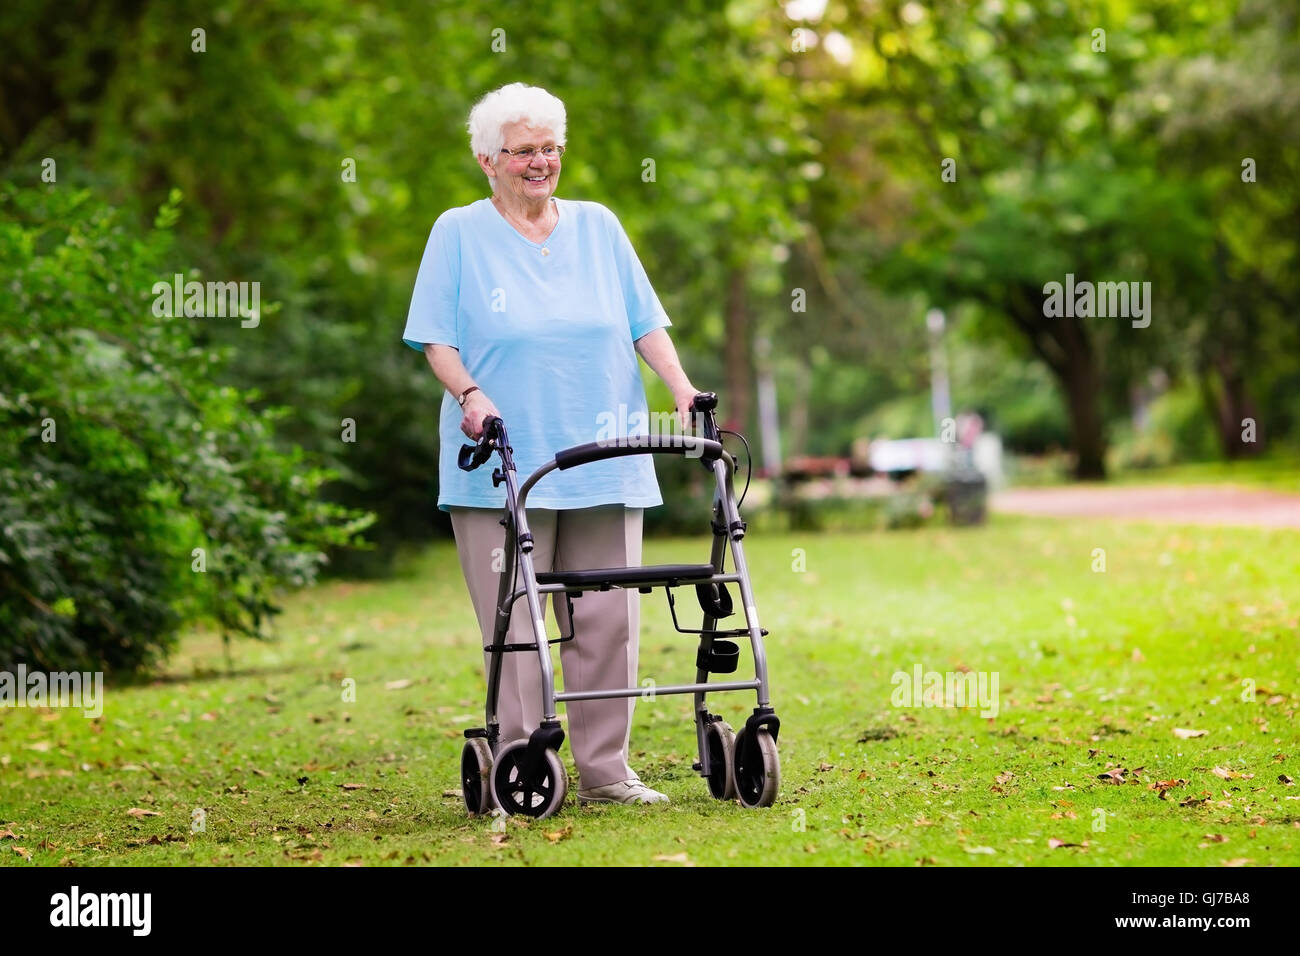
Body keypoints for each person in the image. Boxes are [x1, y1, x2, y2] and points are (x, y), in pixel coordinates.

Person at [401, 82, 702, 805]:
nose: (540, 162)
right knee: (516, 626)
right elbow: (435, 340)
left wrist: (682, 387)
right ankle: (526, 765)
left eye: (550, 148)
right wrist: (470, 396)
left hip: (606, 454)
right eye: (524, 150)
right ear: (486, 159)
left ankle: (606, 770)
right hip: (501, 462)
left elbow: (643, 324)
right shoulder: (458, 232)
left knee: (606, 618)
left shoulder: (599, 226)